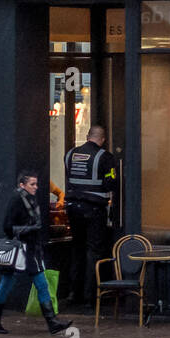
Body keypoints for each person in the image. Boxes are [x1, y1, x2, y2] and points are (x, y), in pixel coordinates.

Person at [0, 169, 73, 335]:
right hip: (20, 250)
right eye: (32, 184)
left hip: (32, 249)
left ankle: (52, 322)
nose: (36, 187)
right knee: (7, 284)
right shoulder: (16, 200)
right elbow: (7, 227)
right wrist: (29, 229)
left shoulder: (30, 199)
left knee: (41, 284)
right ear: (22, 185)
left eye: (36, 183)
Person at [62, 125, 118, 308]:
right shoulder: (105, 157)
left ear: (87, 136)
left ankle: (73, 293)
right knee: (93, 251)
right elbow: (111, 182)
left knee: (76, 249)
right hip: (94, 210)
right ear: (102, 140)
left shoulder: (70, 154)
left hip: (72, 208)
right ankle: (90, 296)